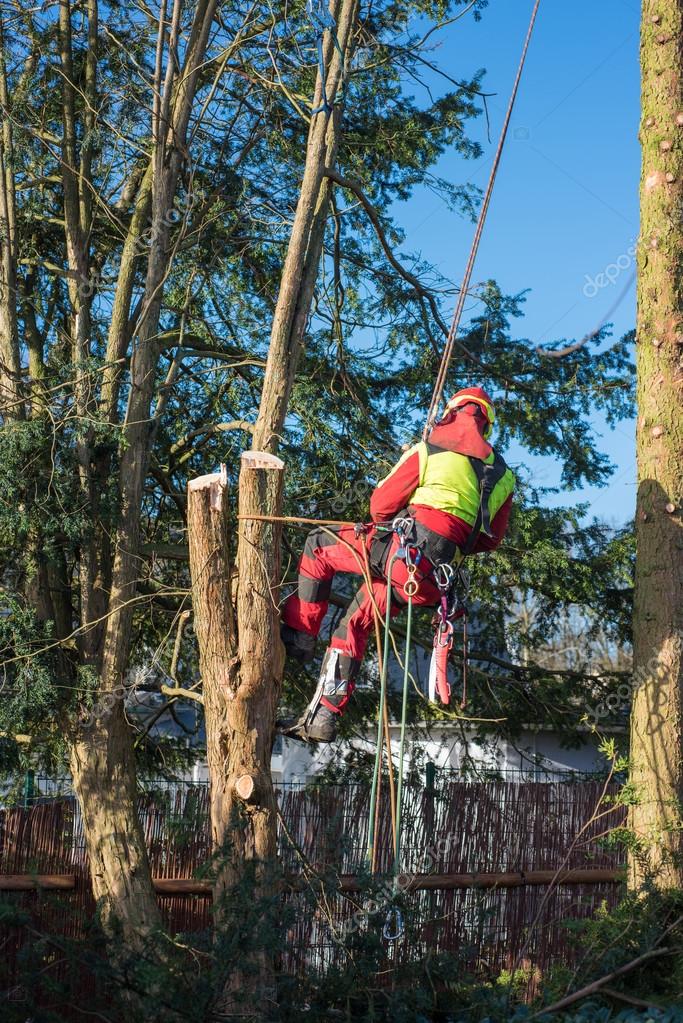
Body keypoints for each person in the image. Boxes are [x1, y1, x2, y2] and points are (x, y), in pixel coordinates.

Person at [279, 387, 515, 742]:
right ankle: (323, 716)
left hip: (400, 558)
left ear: (450, 414)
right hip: (434, 582)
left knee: (318, 546)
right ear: (487, 425)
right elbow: (490, 540)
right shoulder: (502, 475)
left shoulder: (428, 451)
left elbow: (380, 507)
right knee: (354, 621)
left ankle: (299, 636)